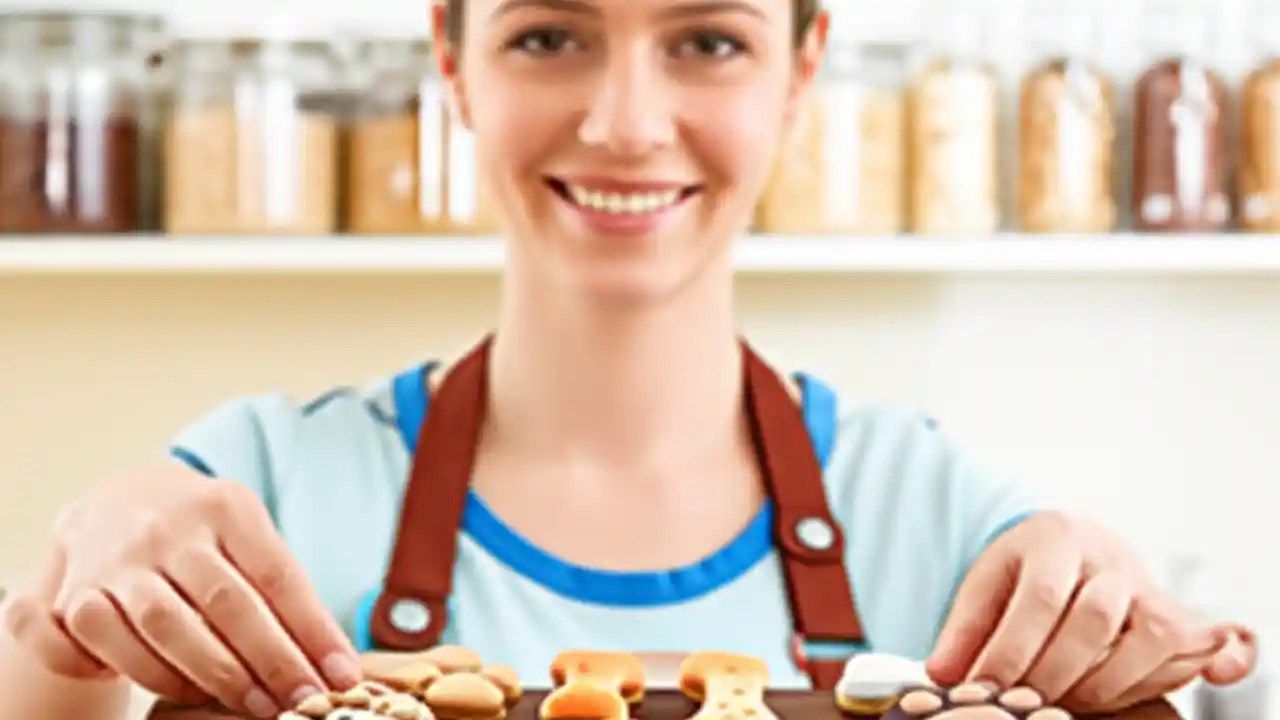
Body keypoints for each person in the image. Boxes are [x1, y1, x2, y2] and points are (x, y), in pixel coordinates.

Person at [0, 1, 1258, 718]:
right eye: (549, 34)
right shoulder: (260, 484)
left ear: (799, 70)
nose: (624, 123)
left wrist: (1113, 644)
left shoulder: (938, 514)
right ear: (453, 62)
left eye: (706, 39)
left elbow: (1110, 652)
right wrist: (69, 607)